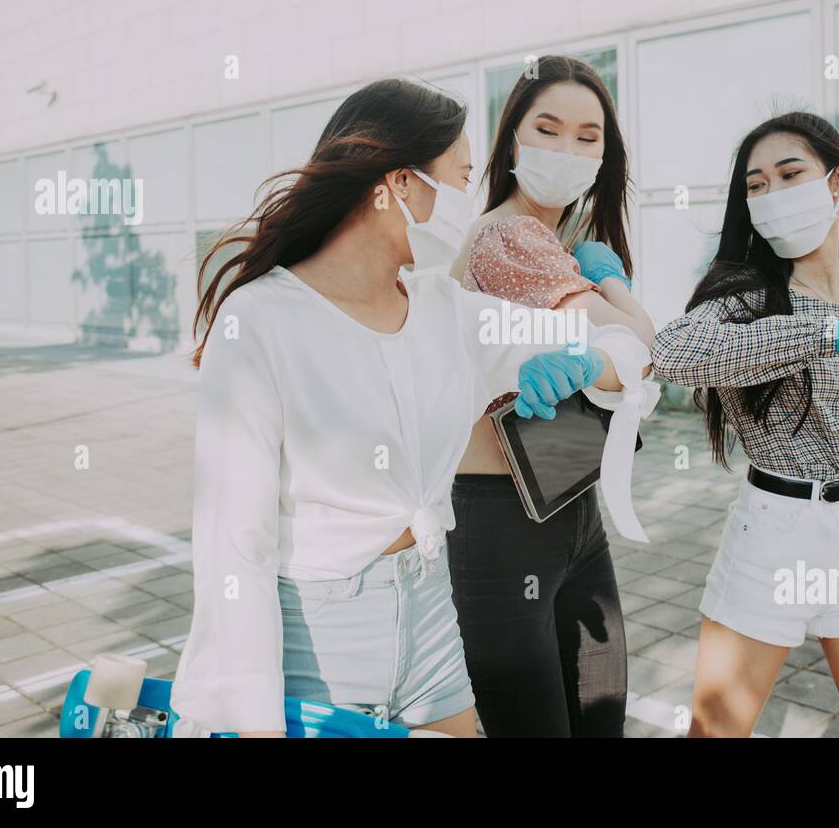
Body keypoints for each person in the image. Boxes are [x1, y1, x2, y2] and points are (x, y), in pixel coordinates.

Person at [168, 78, 650, 737]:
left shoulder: (442, 310)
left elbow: (628, 348)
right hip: (321, 634)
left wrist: (595, 362)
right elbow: (235, 550)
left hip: (428, 612)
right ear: (397, 183)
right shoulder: (258, 321)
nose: (471, 201)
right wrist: (253, 720)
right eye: (459, 176)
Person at [651, 110, 839, 738]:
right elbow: (674, 352)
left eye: (790, 175)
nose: (771, 196)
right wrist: (823, 334)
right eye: (756, 186)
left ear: (838, 182)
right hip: (773, 538)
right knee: (718, 734)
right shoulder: (745, 294)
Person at [448, 56, 657, 737]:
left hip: (567, 510)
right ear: (512, 140)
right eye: (548, 129)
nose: (568, 150)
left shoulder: (551, 241)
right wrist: (615, 284)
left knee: (596, 722)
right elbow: (645, 349)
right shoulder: (509, 235)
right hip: (502, 530)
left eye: (587, 136)